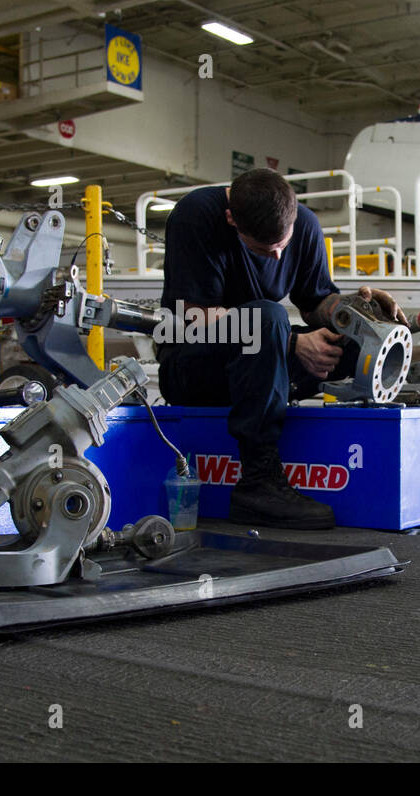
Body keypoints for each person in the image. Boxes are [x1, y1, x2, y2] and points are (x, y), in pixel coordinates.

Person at [157, 168, 407, 529]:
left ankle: (372, 458)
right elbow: (192, 319)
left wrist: (354, 310)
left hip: (260, 362)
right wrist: (291, 342)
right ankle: (258, 483)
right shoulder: (196, 214)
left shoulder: (303, 224)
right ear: (232, 219)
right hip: (191, 364)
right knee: (268, 317)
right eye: (263, 249)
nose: (276, 258)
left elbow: (316, 300)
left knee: (353, 340)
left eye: (283, 246)